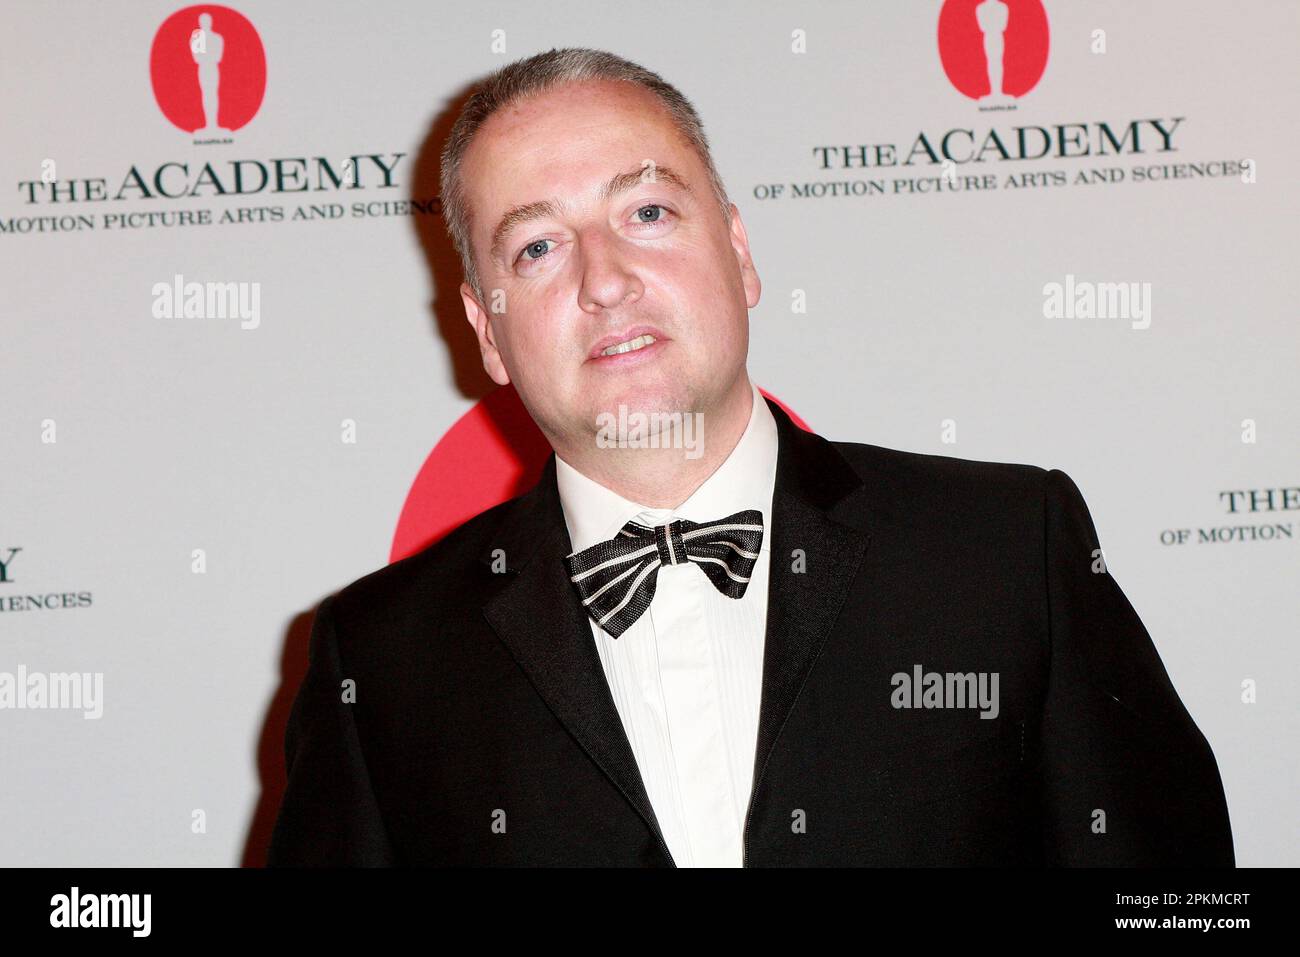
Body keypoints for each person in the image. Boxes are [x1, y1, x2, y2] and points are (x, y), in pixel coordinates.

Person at [267, 47, 1234, 867]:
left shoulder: (1007, 551)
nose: (605, 279)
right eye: (536, 248)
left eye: (646, 213)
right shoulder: (381, 661)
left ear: (740, 250)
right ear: (486, 331)